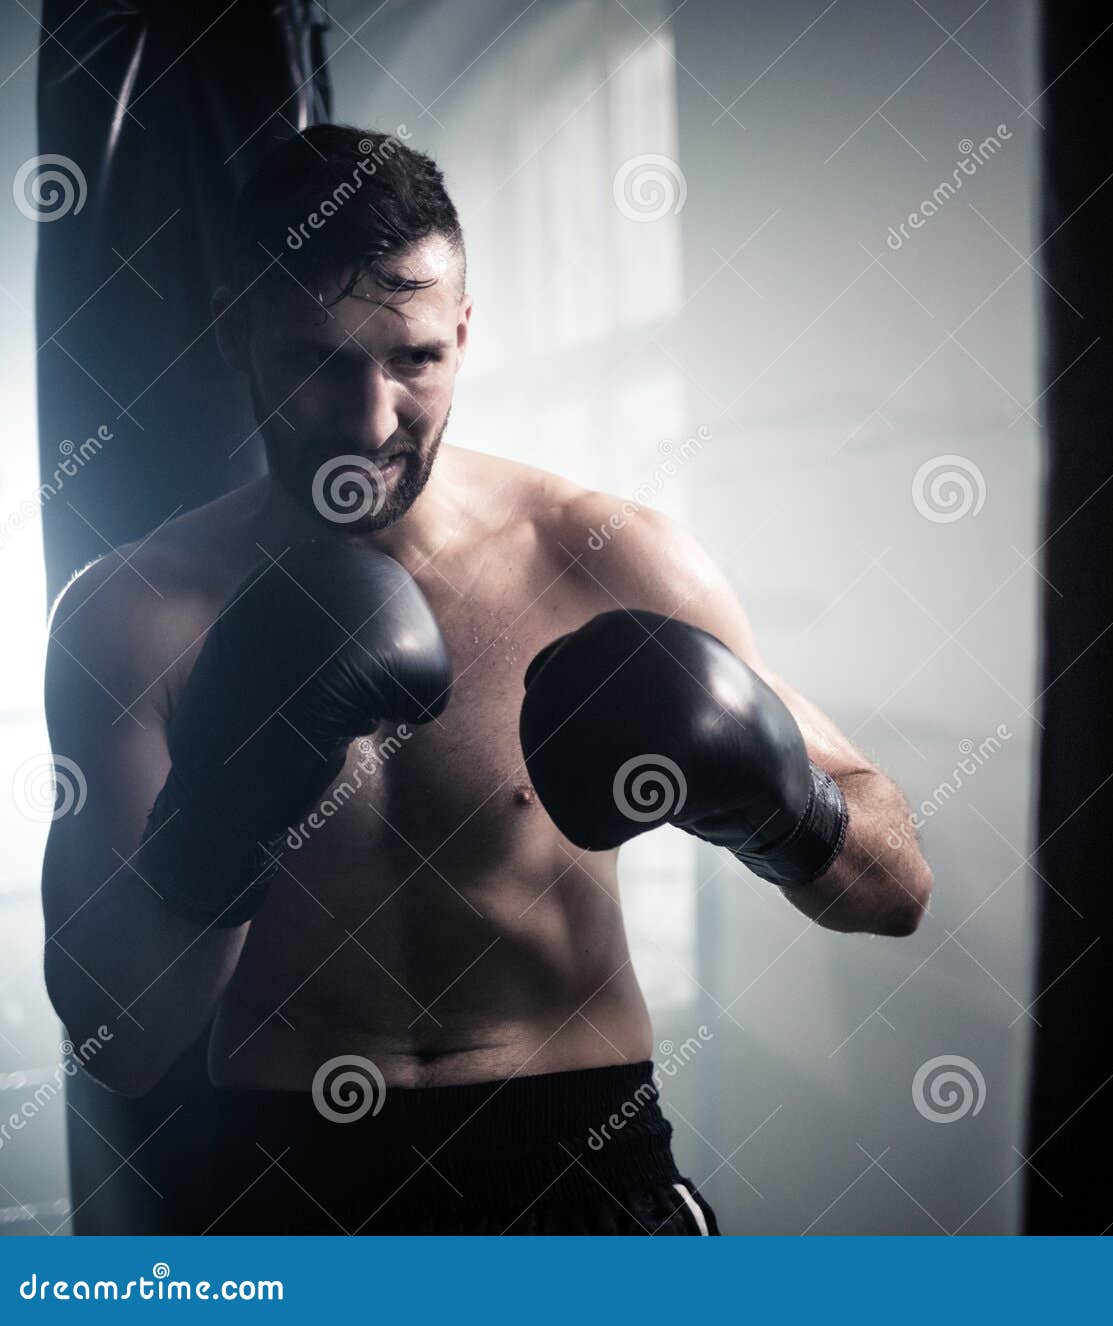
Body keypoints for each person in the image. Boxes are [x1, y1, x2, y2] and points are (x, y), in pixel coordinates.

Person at [40, 124, 934, 1235]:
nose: (371, 422)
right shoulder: (134, 614)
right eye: (318, 363)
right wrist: (226, 814)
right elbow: (117, 1040)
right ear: (239, 334)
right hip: (293, 1185)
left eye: (413, 359)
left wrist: (788, 807)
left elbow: (896, 894)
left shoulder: (607, 560)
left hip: (580, 1163)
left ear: (463, 334)